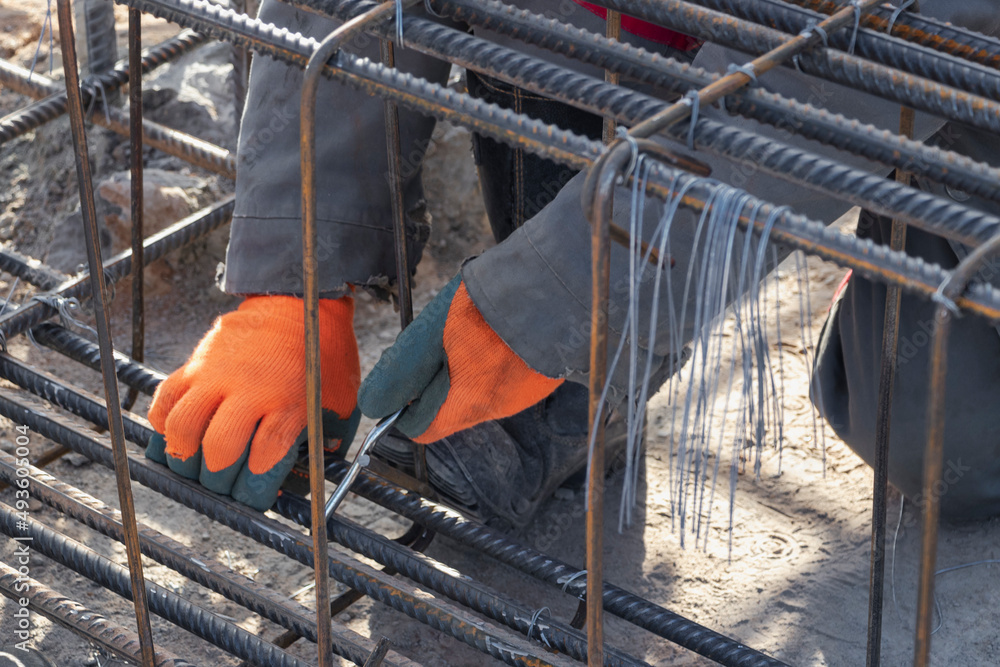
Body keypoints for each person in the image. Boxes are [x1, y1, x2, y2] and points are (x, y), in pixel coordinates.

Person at [146, 0, 1000, 529]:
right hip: (641, 28)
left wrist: (561, 297)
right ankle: (573, 386)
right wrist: (292, 288)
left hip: (951, 43)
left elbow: (897, 31)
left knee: (947, 445)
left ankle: (905, 187)